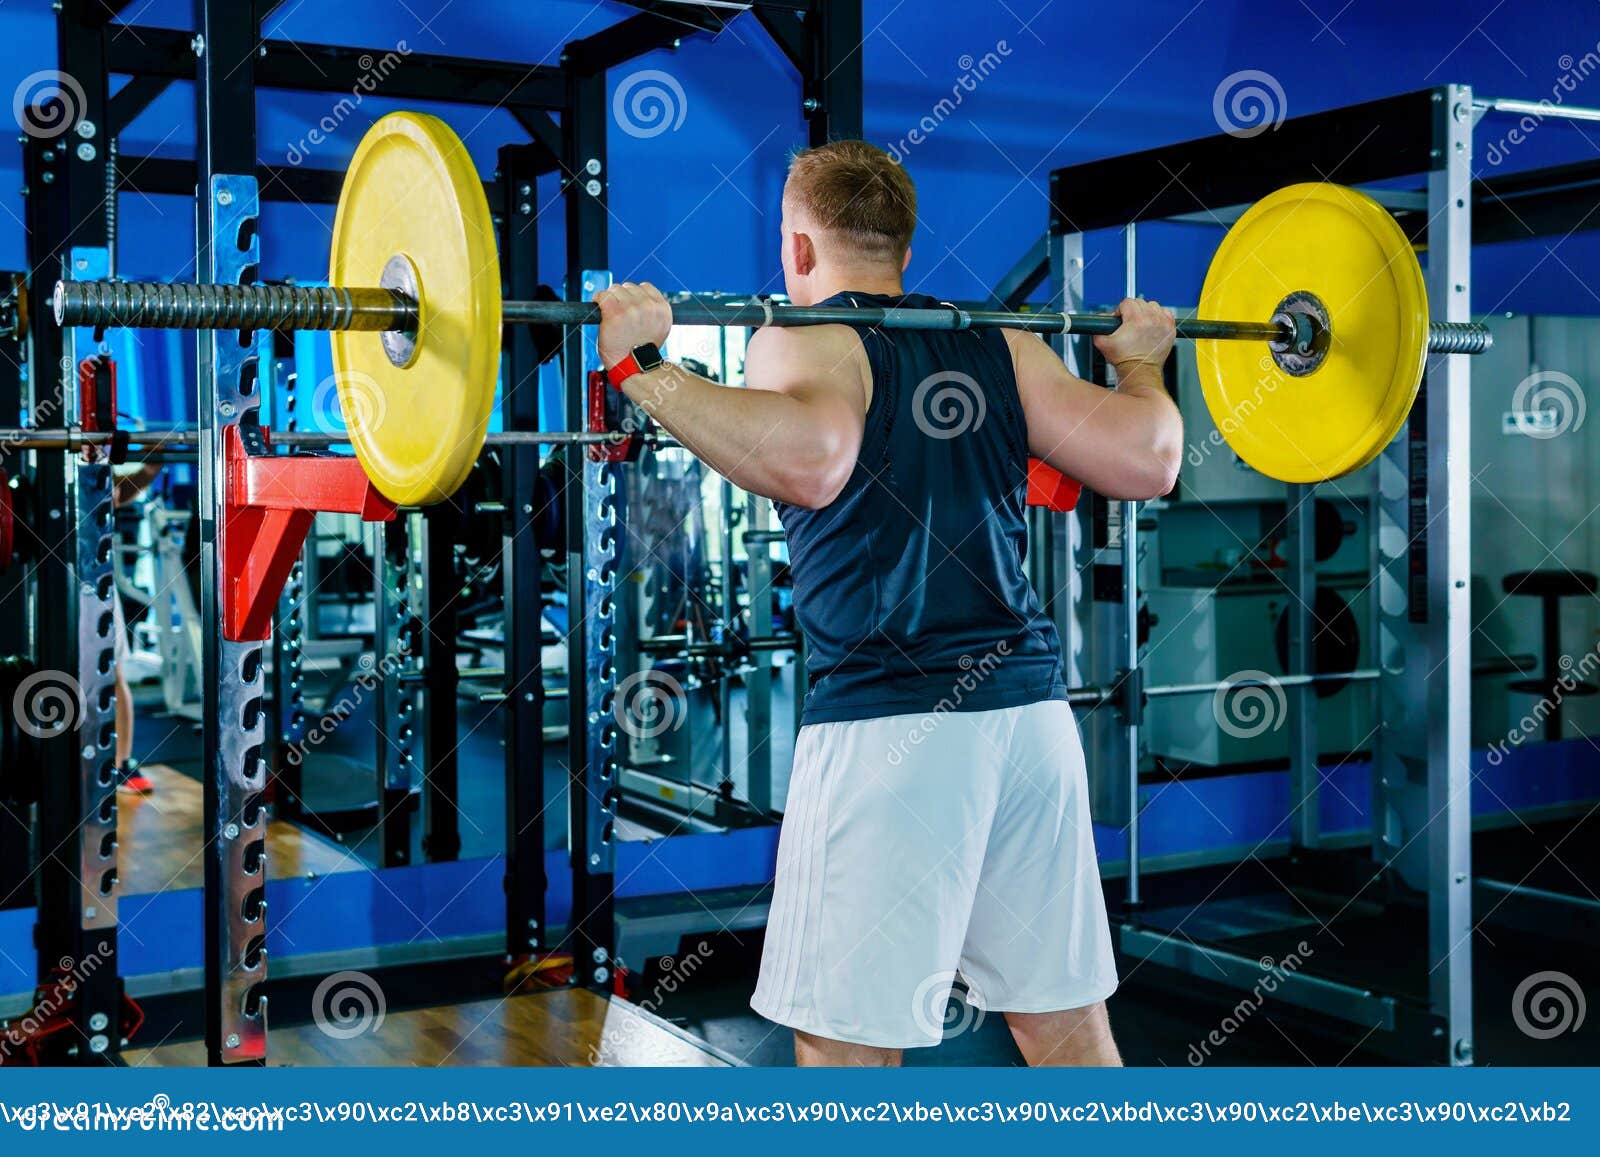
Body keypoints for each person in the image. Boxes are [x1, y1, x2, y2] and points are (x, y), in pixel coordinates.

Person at [594, 140, 1182, 1067]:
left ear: (795, 249)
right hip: (1028, 725)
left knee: (844, 1048)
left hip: (891, 732)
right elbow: (1150, 458)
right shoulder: (999, 340)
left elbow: (815, 460)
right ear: (905, 247)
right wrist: (1142, 362)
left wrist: (643, 368)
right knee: (1066, 1028)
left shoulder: (799, 337)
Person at [112, 460, 161, 796]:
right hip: (39, 574)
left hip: (93, 574)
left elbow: (118, 491)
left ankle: (120, 763)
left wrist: (151, 464)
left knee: (113, 672)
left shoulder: (95, 457)